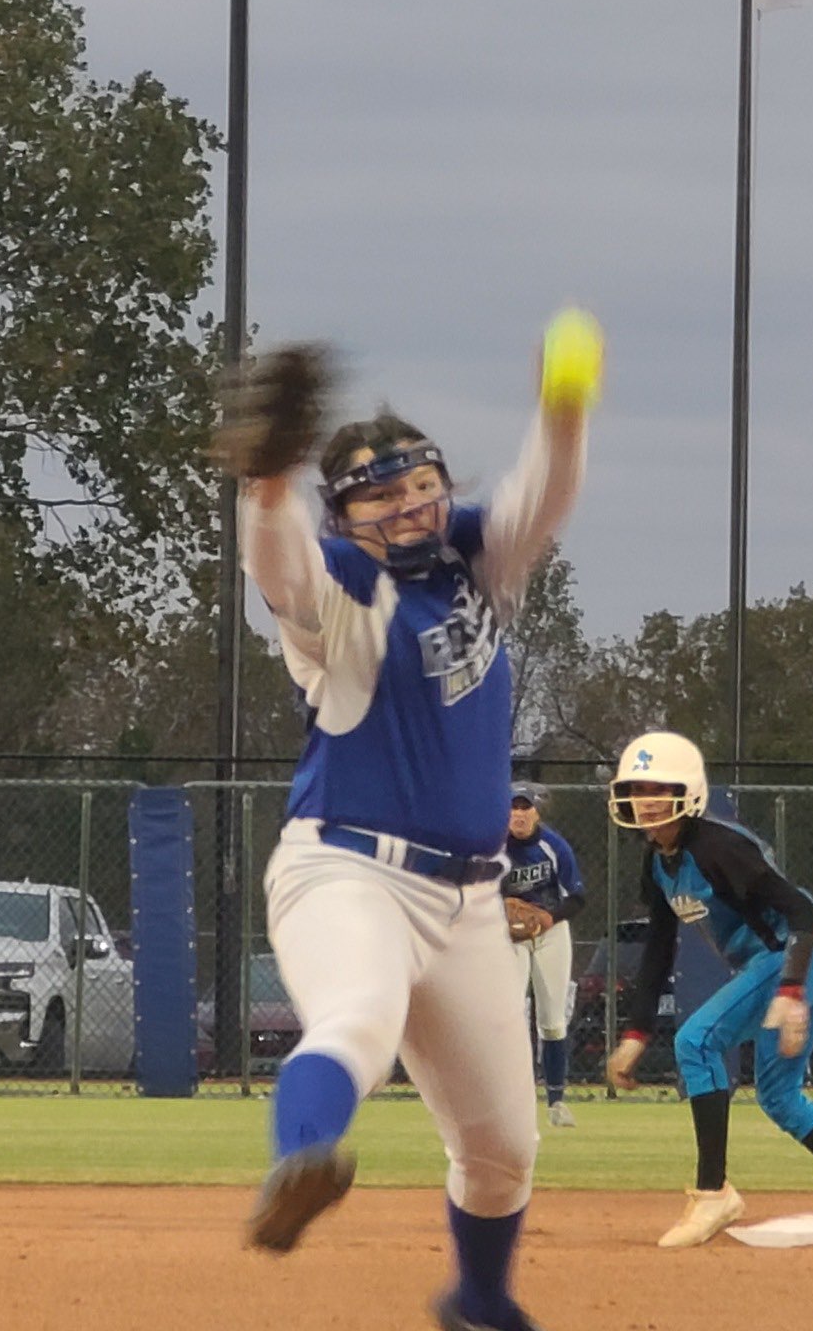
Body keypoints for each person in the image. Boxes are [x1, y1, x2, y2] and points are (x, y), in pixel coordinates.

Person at [234, 314, 601, 1331]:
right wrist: (265, 483)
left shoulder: (478, 563)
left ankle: (478, 1300)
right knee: (356, 1018)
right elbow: (279, 566)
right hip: (348, 870)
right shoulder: (344, 593)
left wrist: (564, 407)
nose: (405, 504)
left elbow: (544, 491)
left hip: (473, 897)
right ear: (342, 515)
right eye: (376, 493)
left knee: (503, 1150)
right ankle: (303, 1157)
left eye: (417, 483)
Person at [604, 730, 813, 1249]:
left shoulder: (718, 846)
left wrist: (790, 991)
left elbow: (802, 911)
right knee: (781, 1098)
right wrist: (635, 1030)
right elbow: (657, 951)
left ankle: (712, 1192)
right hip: (783, 960)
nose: (645, 801)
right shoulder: (657, 864)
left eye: (657, 788)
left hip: (801, 949)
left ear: (688, 791)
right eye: (636, 789)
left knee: (696, 1041)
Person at [501, 783, 586, 1127]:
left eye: (526, 808)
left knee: (552, 1021)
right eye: (514, 807)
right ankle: (513, 1100)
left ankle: (556, 1102)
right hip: (508, 937)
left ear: (537, 812)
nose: (519, 814)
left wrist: (549, 918)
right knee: (510, 1017)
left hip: (551, 933)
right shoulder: (493, 847)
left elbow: (577, 897)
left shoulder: (553, 846)